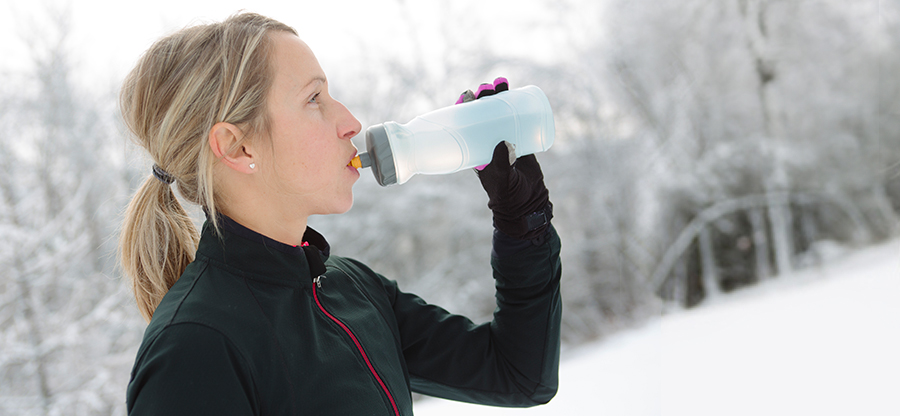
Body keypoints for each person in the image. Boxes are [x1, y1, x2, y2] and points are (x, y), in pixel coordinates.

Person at [119, 12, 561, 415]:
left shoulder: (353, 289)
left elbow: (521, 375)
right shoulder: (194, 350)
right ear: (238, 146)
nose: (350, 121)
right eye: (314, 98)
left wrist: (522, 218)